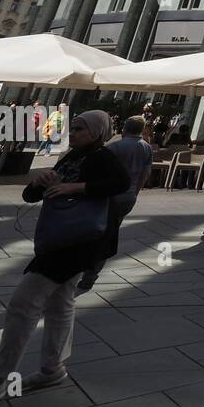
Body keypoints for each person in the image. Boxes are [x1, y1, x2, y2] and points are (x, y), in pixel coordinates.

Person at [0, 111, 130, 407]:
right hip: (59, 238)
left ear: (97, 131)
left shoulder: (102, 157)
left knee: (23, 303)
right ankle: (52, 369)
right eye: (74, 127)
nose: (75, 132)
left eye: (81, 128)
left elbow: (120, 183)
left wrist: (75, 187)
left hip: (79, 243)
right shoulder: (71, 157)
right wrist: (41, 182)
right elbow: (31, 195)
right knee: (60, 302)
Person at [77, 114, 154, 293]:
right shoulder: (146, 147)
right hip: (128, 197)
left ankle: (81, 267)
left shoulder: (115, 147)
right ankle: (91, 274)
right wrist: (135, 192)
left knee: (93, 232)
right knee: (109, 234)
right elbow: (145, 172)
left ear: (125, 128)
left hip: (109, 195)